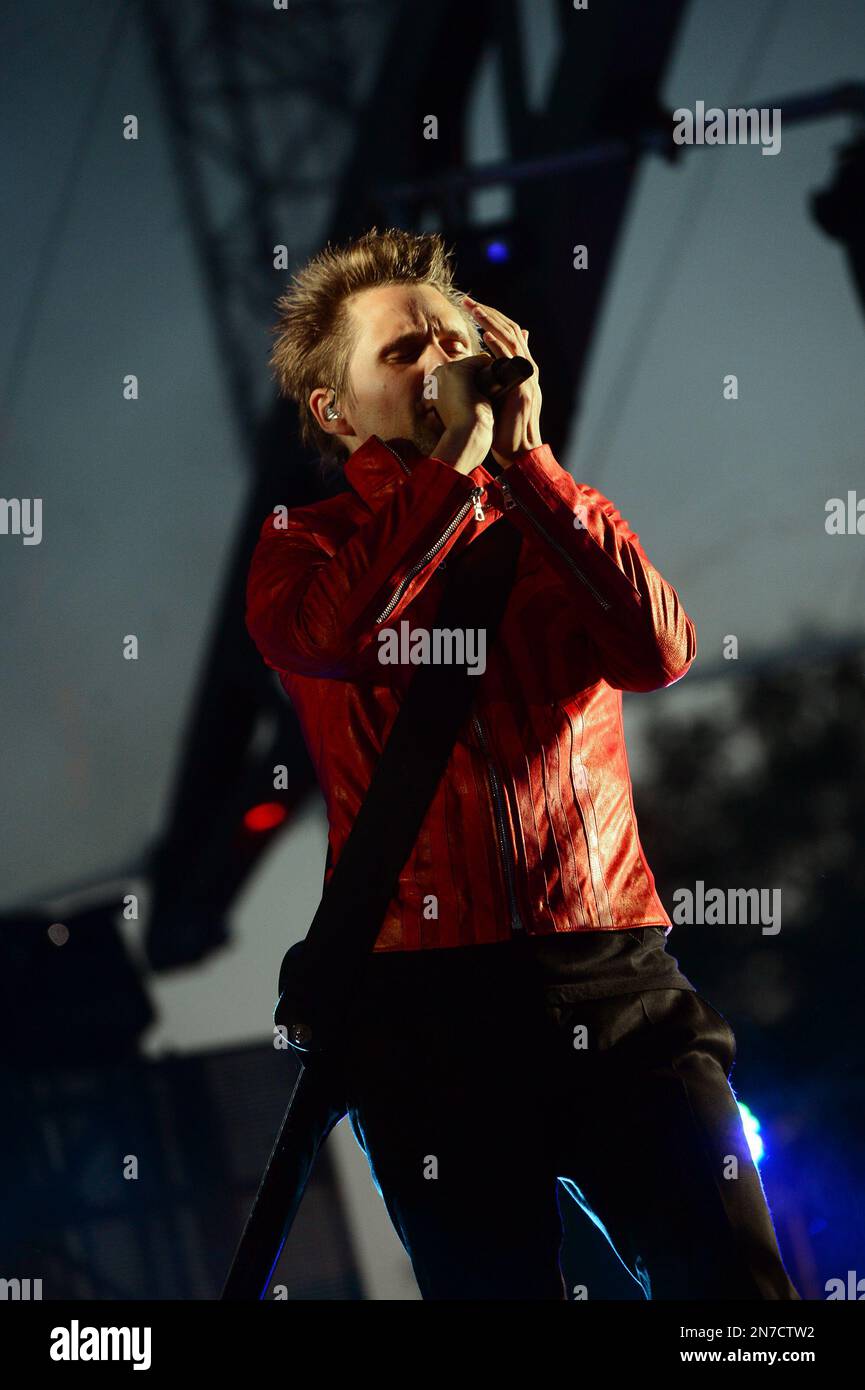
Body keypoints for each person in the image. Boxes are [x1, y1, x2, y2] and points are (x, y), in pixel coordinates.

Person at [245, 227, 801, 1301]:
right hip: (424, 1013)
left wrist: (531, 463)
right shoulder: (301, 545)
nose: (443, 363)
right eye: (403, 353)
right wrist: (452, 470)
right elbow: (340, 632)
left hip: (617, 980)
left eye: (457, 340)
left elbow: (658, 652)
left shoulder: (553, 516)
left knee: (739, 1298)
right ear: (334, 408)